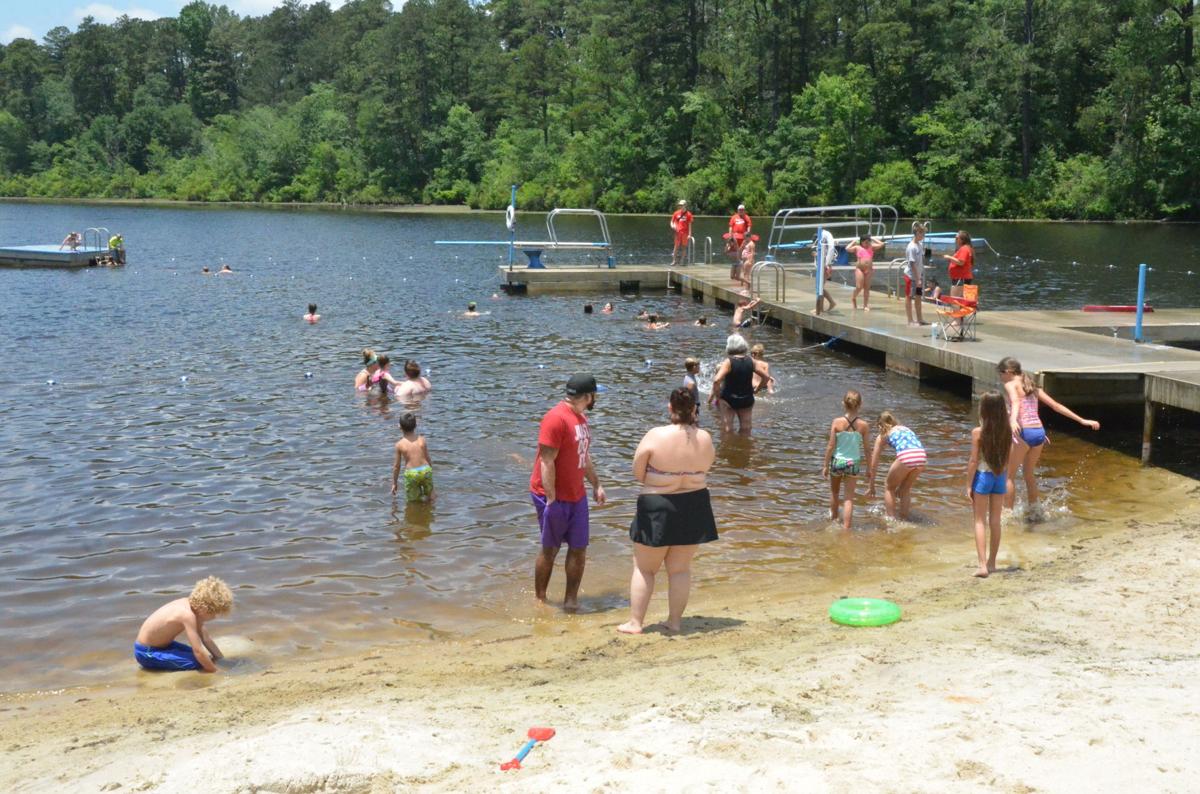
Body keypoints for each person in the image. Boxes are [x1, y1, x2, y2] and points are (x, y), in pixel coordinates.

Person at [618, 388, 717, 635]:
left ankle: (635, 623)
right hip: (694, 502)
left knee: (644, 568)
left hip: (658, 503)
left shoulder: (655, 435)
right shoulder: (704, 437)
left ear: (670, 408)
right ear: (695, 409)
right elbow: (707, 465)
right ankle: (674, 622)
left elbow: (637, 472)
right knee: (680, 569)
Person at [530, 374, 607, 610]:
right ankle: (541, 601)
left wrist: (596, 484)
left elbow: (583, 455)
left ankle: (570, 601)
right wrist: (551, 500)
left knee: (579, 548)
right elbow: (546, 461)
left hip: (577, 495)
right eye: (595, 394)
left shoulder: (581, 418)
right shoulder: (555, 418)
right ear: (587, 396)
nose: (596, 399)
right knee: (550, 548)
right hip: (551, 496)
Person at [998, 357, 1100, 516]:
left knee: (1008, 476)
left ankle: (1007, 514)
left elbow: (1015, 402)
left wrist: (1012, 421)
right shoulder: (1032, 386)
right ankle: (1035, 510)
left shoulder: (1010, 384)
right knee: (1028, 474)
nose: (1001, 378)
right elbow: (1056, 406)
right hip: (1039, 432)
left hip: (1023, 432)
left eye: (1001, 374)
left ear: (1009, 372)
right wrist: (1082, 420)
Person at [134, 576, 232, 672]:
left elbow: (206, 639)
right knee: (199, 662)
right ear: (205, 609)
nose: (215, 617)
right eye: (214, 613)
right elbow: (198, 651)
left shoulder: (192, 606)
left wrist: (220, 659)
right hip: (147, 652)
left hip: (166, 646)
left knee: (206, 658)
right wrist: (214, 671)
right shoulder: (187, 615)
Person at [966, 392, 1011, 577]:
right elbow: (1007, 457)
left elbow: (973, 461)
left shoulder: (978, 432)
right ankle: (992, 563)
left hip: (983, 477)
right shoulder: (1007, 430)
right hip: (1000, 476)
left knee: (979, 521)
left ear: (983, 410)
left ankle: (982, 565)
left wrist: (968, 485)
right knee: (995, 521)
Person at [822, 390, 869, 530]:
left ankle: (834, 521)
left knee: (834, 492)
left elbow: (831, 446)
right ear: (860, 404)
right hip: (853, 463)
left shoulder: (836, 422)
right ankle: (846, 529)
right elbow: (867, 449)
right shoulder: (864, 425)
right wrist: (869, 468)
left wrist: (825, 465)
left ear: (843, 403)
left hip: (837, 461)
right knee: (848, 498)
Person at [866, 411, 927, 520]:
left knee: (889, 487)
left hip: (906, 455)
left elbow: (873, 464)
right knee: (905, 489)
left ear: (880, 425)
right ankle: (904, 518)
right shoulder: (904, 428)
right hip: (921, 456)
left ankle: (890, 518)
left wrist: (871, 486)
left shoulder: (882, 436)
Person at [708, 334, 773, 434]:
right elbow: (766, 377)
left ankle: (727, 447)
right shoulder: (751, 361)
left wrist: (718, 397)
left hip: (728, 399)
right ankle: (745, 447)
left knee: (727, 428)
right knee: (746, 428)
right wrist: (756, 390)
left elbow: (716, 380)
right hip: (746, 398)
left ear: (729, 346)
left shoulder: (728, 362)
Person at [391, 412, 434, 502]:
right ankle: (429, 511)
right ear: (416, 425)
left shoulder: (399, 444)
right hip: (425, 470)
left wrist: (394, 483)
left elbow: (396, 466)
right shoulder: (422, 439)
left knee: (413, 501)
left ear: (400, 427)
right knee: (430, 497)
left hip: (412, 473)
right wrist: (430, 472)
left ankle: (416, 512)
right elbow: (428, 458)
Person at [847, 233, 885, 311]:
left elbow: (882, 244)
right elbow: (847, 248)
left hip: (869, 270)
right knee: (859, 287)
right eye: (865, 242)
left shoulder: (871, 247)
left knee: (867, 288)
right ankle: (853, 297)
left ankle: (865, 305)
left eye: (868, 241)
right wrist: (854, 241)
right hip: (860, 269)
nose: (867, 243)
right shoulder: (857, 247)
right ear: (861, 241)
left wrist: (873, 238)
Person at [904, 223, 928, 325]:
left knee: (918, 296)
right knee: (909, 296)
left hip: (918, 275)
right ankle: (910, 320)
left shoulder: (920, 245)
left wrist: (920, 275)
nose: (923, 236)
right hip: (910, 276)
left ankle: (920, 318)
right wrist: (917, 278)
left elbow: (920, 260)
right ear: (916, 233)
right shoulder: (911, 247)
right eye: (921, 233)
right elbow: (912, 264)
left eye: (924, 234)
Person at [942, 230, 974, 298]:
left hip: (961, 278)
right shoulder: (965, 248)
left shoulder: (964, 249)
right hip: (961, 277)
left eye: (957, 238)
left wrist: (949, 257)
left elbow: (961, 262)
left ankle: (956, 309)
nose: (955, 239)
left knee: (955, 299)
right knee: (963, 299)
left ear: (962, 240)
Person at [670, 200, 693, 266]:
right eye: (680, 205)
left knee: (684, 247)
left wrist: (689, 234)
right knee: (676, 247)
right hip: (677, 232)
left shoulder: (689, 214)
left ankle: (682, 261)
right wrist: (672, 226)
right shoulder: (676, 213)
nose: (681, 206)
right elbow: (672, 221)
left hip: (685, 233)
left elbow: (690, 225)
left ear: (685, 205)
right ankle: (674, 261)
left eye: (682, 205)